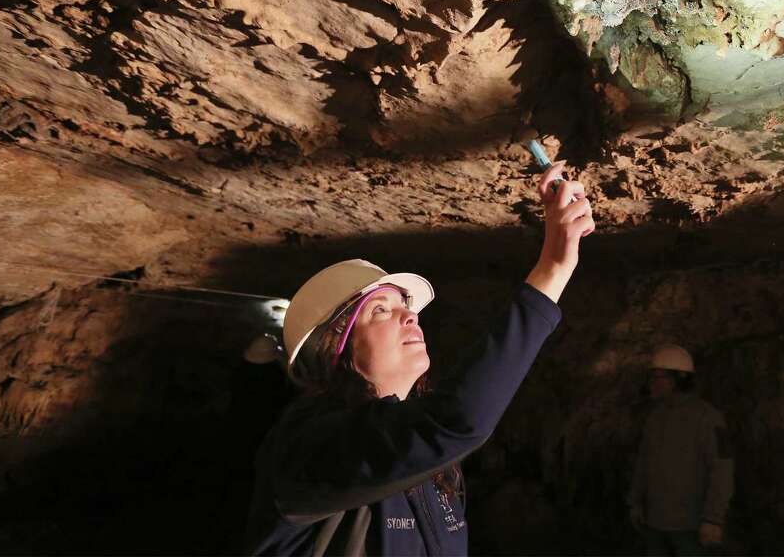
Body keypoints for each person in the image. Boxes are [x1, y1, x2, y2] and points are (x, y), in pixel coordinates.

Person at [244, 161, 592, 556]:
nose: (410, 314)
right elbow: (456, 420)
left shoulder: (432, 469)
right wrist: (553, 269)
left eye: (404, 305)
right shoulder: (309, 447)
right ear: (334, 348)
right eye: (380, 310)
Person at [630, 345, 734, 556]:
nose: (653, 384)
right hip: (656, 524)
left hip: (691, 528)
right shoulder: (654, 418)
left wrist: (713, 519)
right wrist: (636, 501)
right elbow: (643, 462)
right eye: (652, 377)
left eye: (659, 377)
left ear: (679, 380)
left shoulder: (710, 419)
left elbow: (722, 469)